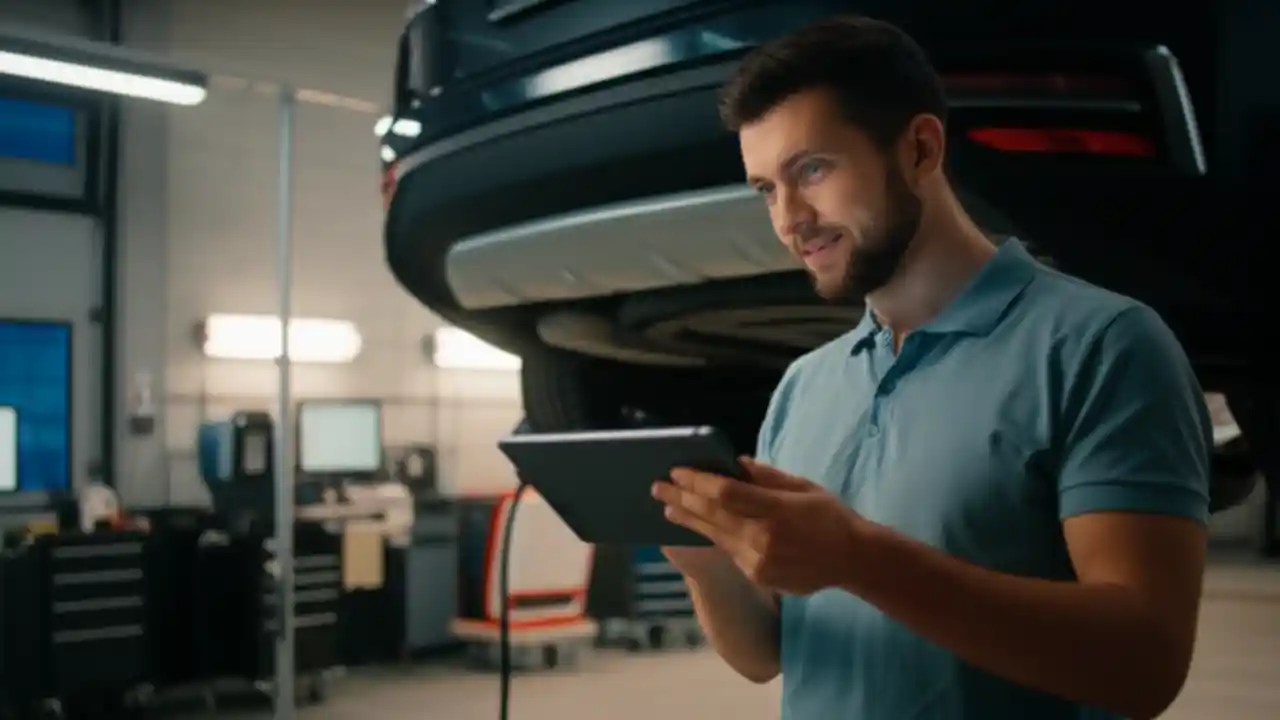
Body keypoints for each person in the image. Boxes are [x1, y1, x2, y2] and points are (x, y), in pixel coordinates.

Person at [650, 14, 1212, 720]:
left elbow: (1145, 666)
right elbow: (769, 654)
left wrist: (861, 559)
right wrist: (702, 562)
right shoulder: (804, 386)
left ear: (919, 148)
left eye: (812, 170)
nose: (789, 218)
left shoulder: (1102, 346)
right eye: (766, 188)